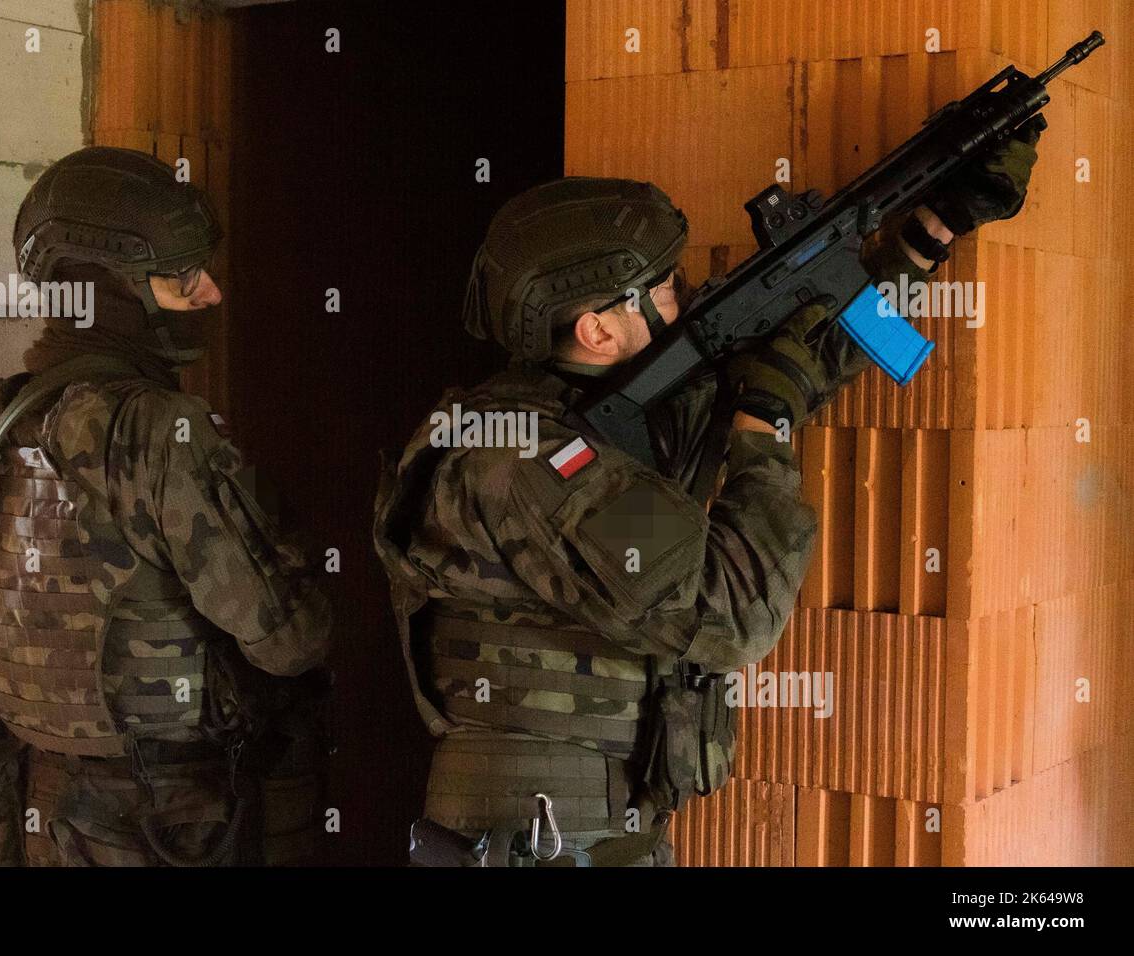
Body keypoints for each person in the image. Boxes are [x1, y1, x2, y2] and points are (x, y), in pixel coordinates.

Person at [374, 121, 1043, 866]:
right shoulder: (523, 459)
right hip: (536, 840)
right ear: (598, 329)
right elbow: (732, 614)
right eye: (663, 286)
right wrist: (767, 429)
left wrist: (929, 230)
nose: (683, 295)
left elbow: (802, 355)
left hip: (591, 833)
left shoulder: (604, 418)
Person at [0, 146, 332, 867]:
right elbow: (291, 638)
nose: (211, 293)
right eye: (183, 278)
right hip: (153, 820)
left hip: (32, 807)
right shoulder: (157, 432)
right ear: (119, 292)